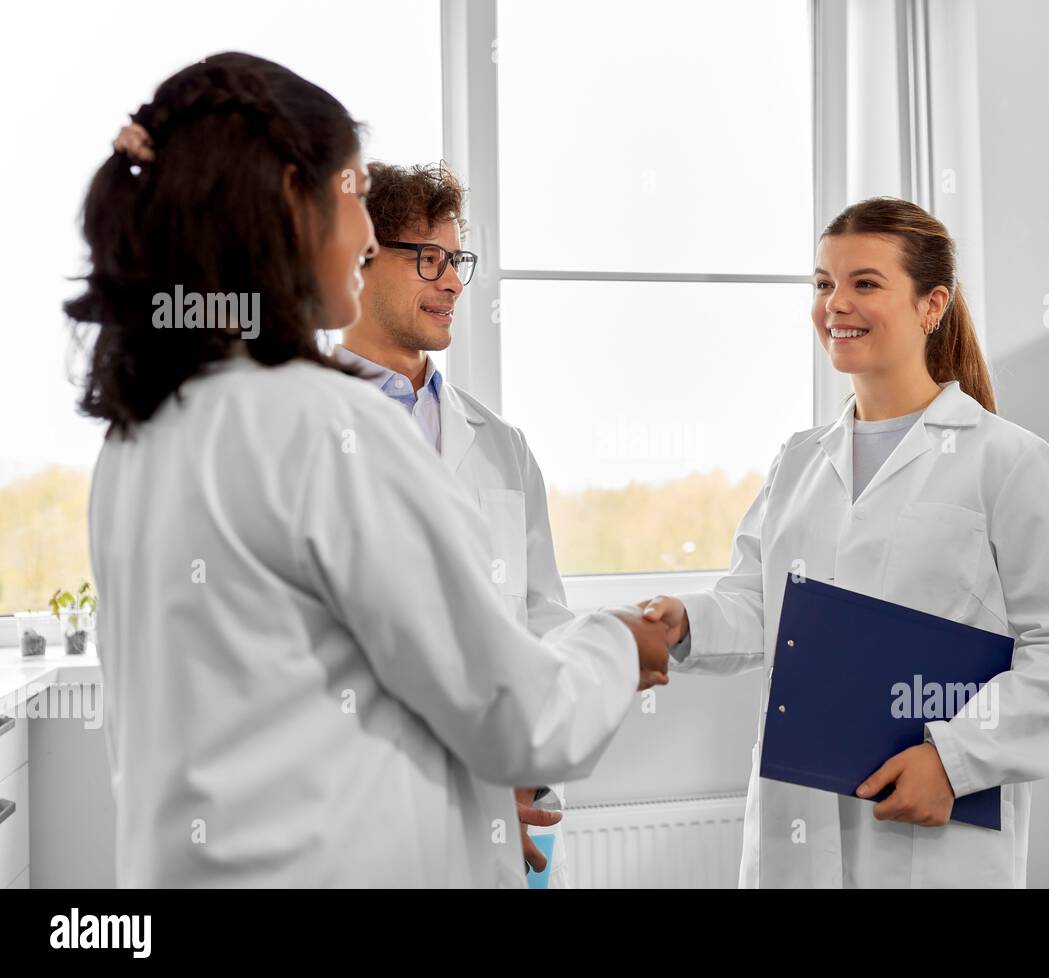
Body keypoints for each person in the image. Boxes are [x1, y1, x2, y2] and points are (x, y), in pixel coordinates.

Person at [73, 52, 669, 888]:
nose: (360, 239)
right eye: (353, 197)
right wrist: (620, 642)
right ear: (291, 198)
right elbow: (526, 717)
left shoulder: (140, 433)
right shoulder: (323, 427)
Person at [641, 197, 1049, 888]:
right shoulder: (799, 460)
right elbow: (762, 603)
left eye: (865, 283)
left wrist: (953, 759)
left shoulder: (1008, 461)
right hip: (797, 820)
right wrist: (687, 621)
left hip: (935, 835)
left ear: (932, 305)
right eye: (823, 284)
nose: (836, 303)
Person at [332, 160, 576, 886]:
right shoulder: (299, 433)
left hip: (510, 822)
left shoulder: (500, 445)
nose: (452, 283)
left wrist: (532, 765)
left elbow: (545, 624)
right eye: (428, 260)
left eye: (457, 260)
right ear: (360, 261)